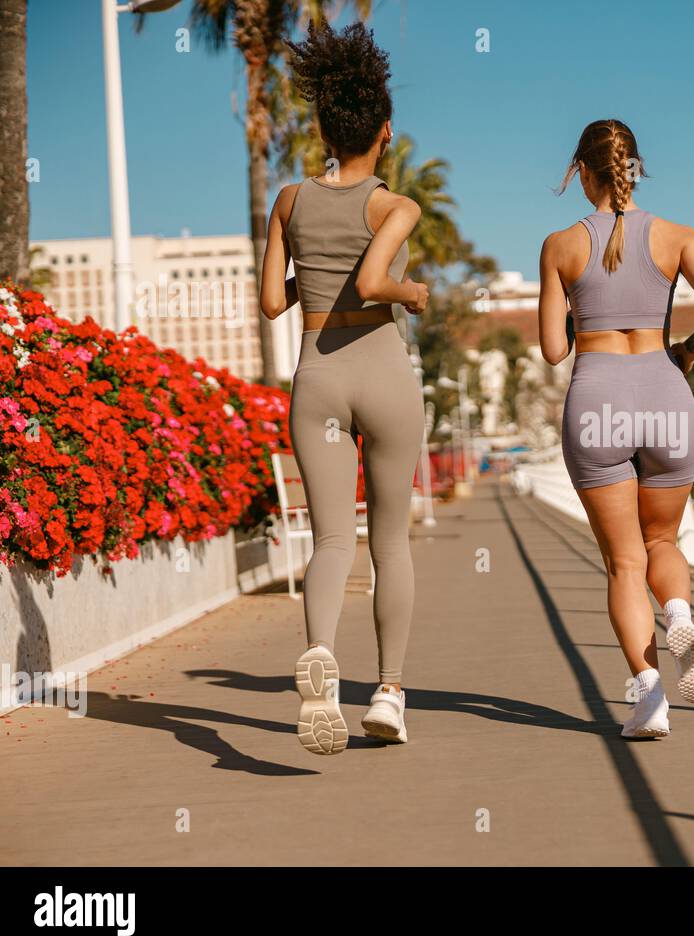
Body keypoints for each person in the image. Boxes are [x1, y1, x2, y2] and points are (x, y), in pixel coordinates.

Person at [259, 21, 428, 755]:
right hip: (382, 372)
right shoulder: (396, 207)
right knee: (391, 544)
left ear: (324, 129)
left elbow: (273, 302)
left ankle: (321, 664)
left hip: (318, 379)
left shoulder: (290, 202)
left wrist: (311, 269)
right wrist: (410, 290)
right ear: (383, 133)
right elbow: (372, 281)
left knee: (332, 538)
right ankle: (388, 692)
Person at [537, 119, 694, 738]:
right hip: (664, 389)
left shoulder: (559, 245)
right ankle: (678, 613)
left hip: (597, 395)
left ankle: (649, 700)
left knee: (623, 564)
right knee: (662, 544)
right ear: (636, 168)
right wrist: (689, 351)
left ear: (582, 174)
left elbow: (549, 350)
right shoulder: (677, 235)